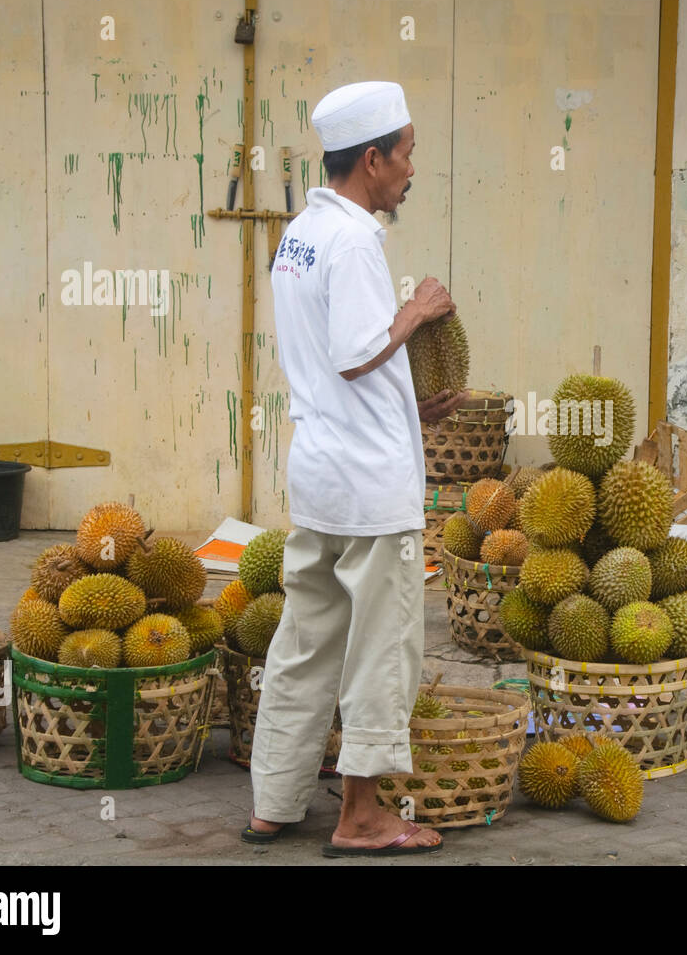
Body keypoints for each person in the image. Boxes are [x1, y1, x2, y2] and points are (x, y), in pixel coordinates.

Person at [243, 81, 465, 856]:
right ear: (371, 160)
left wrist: (413, 404)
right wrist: (419, 310)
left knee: (304, 645)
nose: (411, 170)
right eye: (406, 155)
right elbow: (352, 352)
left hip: (321, 476)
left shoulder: (300, 235)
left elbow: (343, 358)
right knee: (380, 650)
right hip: (372, 494)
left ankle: (272, 801)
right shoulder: (357, 241)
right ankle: (362, 816)